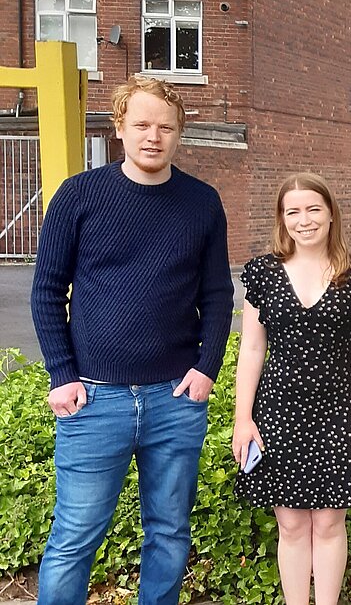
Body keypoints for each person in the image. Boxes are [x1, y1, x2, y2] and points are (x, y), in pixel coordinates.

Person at [31, 76, 234, 604]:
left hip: (174, 400)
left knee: (168, 534)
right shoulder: (79, 196)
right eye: (141, 124)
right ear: (119, 126)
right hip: (94, 399)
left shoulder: (202, 202)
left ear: (179, 133)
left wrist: (207, 367)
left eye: (165, 127)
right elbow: (48, 291)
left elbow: (217, 295)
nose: (153, 136)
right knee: (75, 538)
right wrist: (61, 374)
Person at [231, 173, 351, 605]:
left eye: (313, 209)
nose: (304, 220)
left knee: (331, 524)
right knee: (293, 525)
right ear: (281, 218)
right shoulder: (261, 273)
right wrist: (243, 419)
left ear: (331, 213)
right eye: (293, 211)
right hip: (278, 411)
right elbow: (252, 350)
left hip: (340, 411)